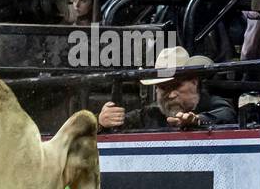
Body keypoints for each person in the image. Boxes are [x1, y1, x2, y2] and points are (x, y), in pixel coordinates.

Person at [97, 46, 236, 133]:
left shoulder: (212, 104)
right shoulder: (150, 115)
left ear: (194, 82)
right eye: (163, 88)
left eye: (176, 86)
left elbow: (227, 114)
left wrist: (198, 121)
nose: (171, 95)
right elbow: (118, 123)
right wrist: (101, 122)